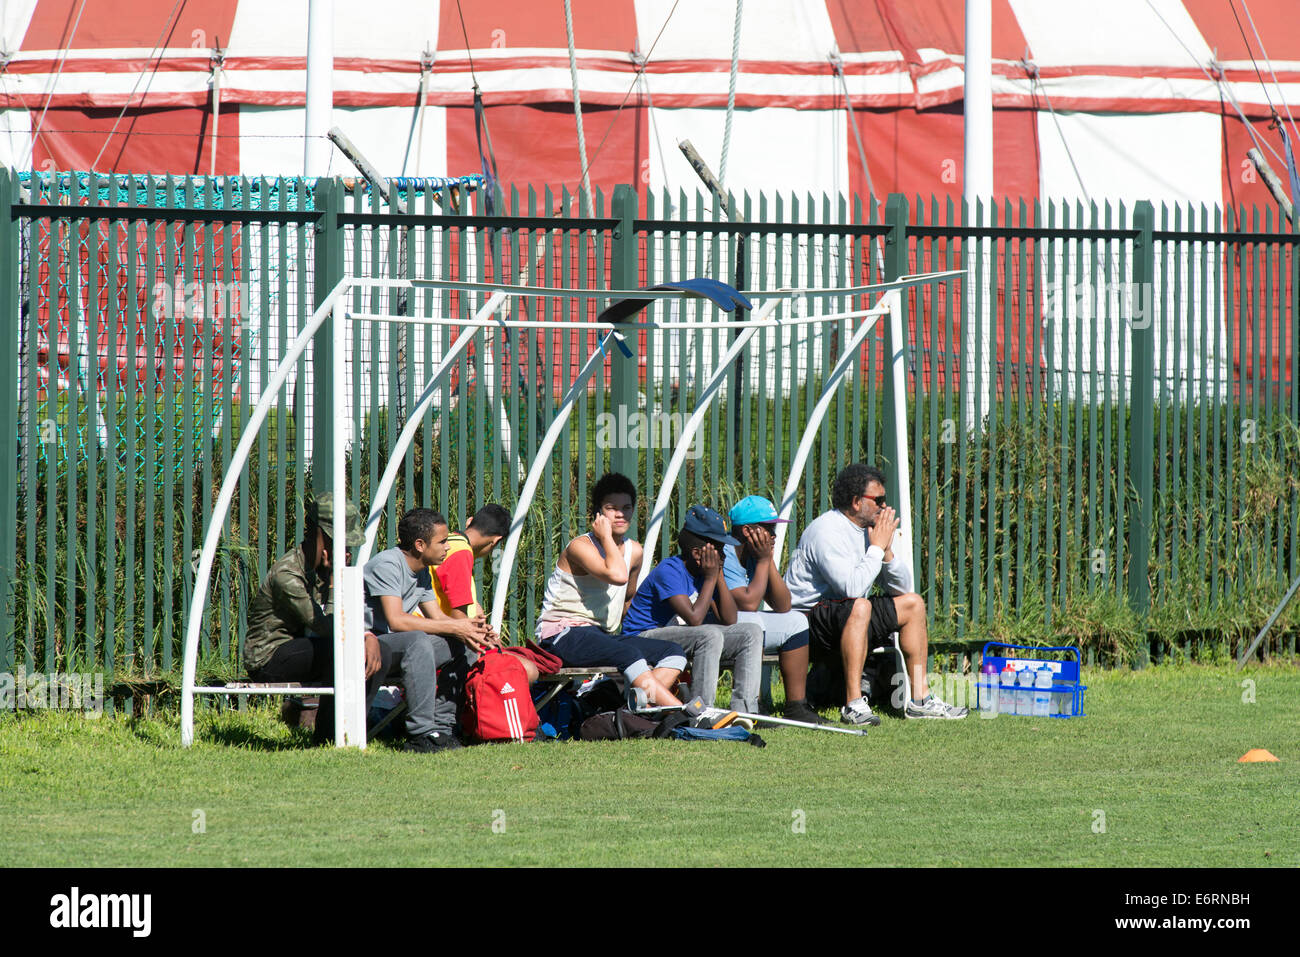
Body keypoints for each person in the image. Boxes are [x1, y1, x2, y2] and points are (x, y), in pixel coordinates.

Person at [784, 463, 969, 724]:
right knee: (860, 605)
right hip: (806, 620)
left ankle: (920, 700)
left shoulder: (869, 532)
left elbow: (903, 589)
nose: (884, 507)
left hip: (848, 614)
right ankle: (853, 703)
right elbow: (851, 589)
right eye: (878, 500)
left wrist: (887, 552)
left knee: (913, 604)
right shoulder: (826, 531)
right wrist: (876, 549)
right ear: (857, 502)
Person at [242, 492, 389, 743]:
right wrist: (334, 582)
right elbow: (326, 627)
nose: (344, 549)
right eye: (338, 541)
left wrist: (367, 636)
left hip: (301, 647)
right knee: (340, 651)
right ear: (319, 534)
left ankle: (354, 729)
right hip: (268, 658)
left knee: (377, 650)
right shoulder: (287, 574)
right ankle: (327, 737)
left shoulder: (317, 567)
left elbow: (343, 622)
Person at [536, 472, 686, 707]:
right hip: (562, 634)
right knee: (628, 655)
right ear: (598, 513)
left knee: (673, 651)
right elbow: (618, 576)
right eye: (611, 508)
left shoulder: (634, 551)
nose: (620, 514)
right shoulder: (581, 546)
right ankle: (680, 712)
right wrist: (605, 536)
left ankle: (636, 709)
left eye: (626, 508)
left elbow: (627, 598)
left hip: (600, 635)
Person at [363, 507, 499, 753]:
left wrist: (471, 630)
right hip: (372, 645)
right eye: (443, 541)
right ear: (420, 545)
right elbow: (396, 621)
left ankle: (442, 729)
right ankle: (420, 734)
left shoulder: (422, 571)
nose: (448, 547)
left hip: (399, 646)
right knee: (417, 641)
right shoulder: (388, 564)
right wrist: (455, 625)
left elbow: (437, 617)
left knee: (464, 645)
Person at [621, 505, 764, 714]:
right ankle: (701, 712)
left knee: (750, 632)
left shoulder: (706, 574)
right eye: (719, 550)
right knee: (709, 634)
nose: (723, 555)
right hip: (642, 637)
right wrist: (710, 577)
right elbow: (695, 619)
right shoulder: (669, 571)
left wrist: (718, 575)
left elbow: (729, 618)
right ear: (698, 553)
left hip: (674, 639)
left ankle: (745, 711)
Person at [721, 495, 824, 725]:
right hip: (710, 624)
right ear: (747, 531)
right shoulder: (727, 552)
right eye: (769, 528)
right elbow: (746, 603)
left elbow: (783, 605)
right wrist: (764, 560)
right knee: (752, 622)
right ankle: (753, 705)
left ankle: (796, 706)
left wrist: (766, 561)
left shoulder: (754, 555)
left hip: (736, 623)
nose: (774, 535)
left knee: (796, 621)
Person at [426, 505, 538, 683]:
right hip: (445, 640)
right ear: (495, 541)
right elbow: (458, 616)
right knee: (528, 670)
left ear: (469, 521)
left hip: (439, 633)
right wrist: (481, 642)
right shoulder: (461, 553)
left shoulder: (451, 544)